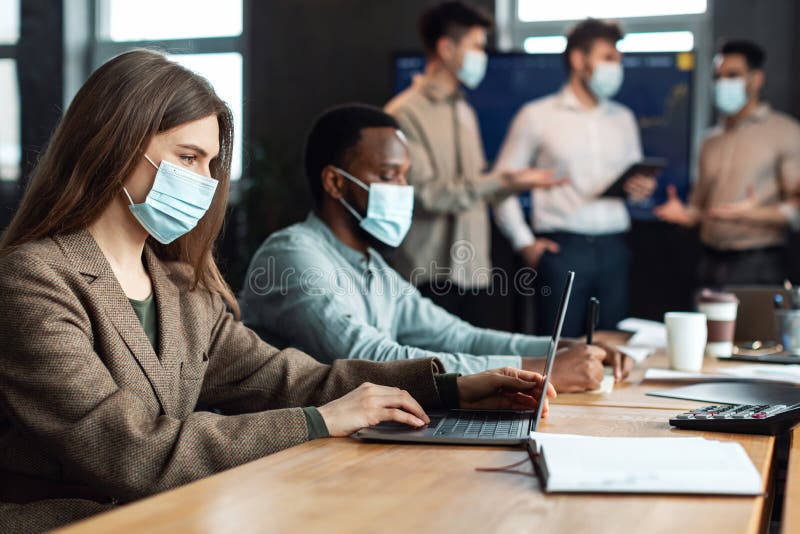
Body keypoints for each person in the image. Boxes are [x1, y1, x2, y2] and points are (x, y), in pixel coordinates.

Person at [0, 51, 555, 533]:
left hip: (169, 513)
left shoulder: (178, 285)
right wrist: (319, 421)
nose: (205, 180)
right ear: (115, 146)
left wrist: (449, 388)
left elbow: (286, 378)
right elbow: (128, 447)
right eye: (188, 157)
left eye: (212, 164)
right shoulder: (33, 280)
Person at [240, 104, 632, 394]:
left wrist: (566, 346)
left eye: (405, 177)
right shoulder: (292, 256)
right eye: (388, 175)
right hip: (290, 453)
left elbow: (461, 337)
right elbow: (369, 357)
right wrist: (537, 368)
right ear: (335, 183)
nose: (402, 190)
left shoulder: (370, 264)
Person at [384, 1, 565, 328]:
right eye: (478, 46)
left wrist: (514, 183)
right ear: (446, 48)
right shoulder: (404, 113)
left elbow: (474, 188)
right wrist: (500, 181)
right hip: (429, 272)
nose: (483, 56)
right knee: (429, 374)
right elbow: (425, 194)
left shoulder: (465, 111)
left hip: (473, 271)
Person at [492, 18, 656, 337]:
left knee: (613, 349)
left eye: (618, 59)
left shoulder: (623, 118)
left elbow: (633, 183)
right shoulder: (536, 115)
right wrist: (524, 243)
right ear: (579, 60)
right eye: (608, 57)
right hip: (562, 250)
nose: (617, 67)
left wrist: (640, 189)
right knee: (556, 350)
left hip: (614, 249)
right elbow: (502, 185)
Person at [654, 39, 800, 287]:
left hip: (758, 261)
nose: (723, 83)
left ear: (756, 79)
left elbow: (796, 209)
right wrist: (685, 214)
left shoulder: (785, 132)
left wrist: (754, 214)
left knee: (751, 326)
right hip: (709, 259)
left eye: (733, 75)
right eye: (718, 76)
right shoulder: (710, 140)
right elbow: (700, 207)